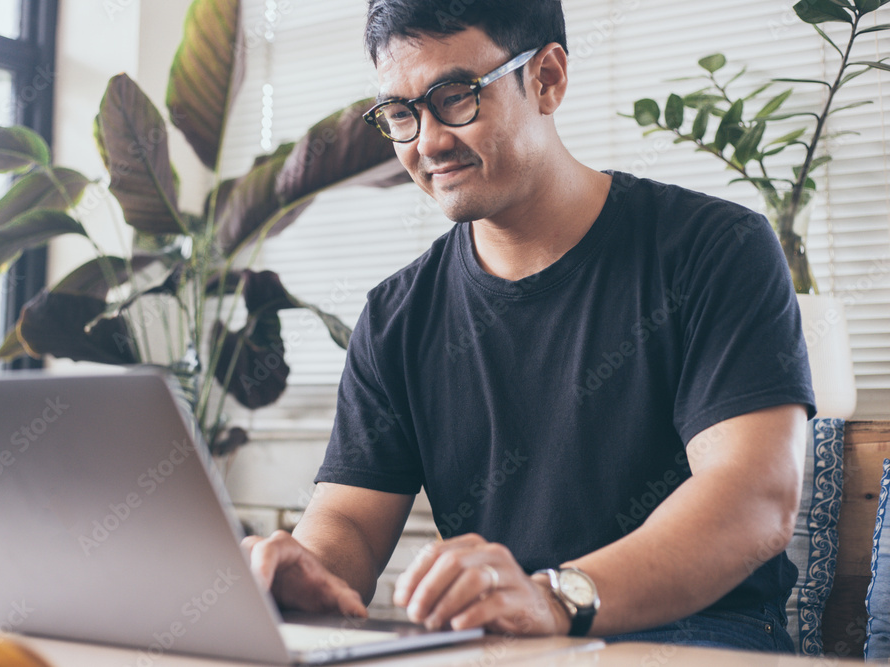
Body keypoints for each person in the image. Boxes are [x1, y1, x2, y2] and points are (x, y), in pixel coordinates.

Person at [242, 0, 816, 651]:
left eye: (455, 96)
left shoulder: (716, 249)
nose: (426, 142)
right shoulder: (394, 317)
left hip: (701, 639)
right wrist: (305, 571)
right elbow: (349, 518)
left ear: (546, 78)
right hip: (510, 645)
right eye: (401, 114)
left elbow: (753, 500)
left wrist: (554, 595)